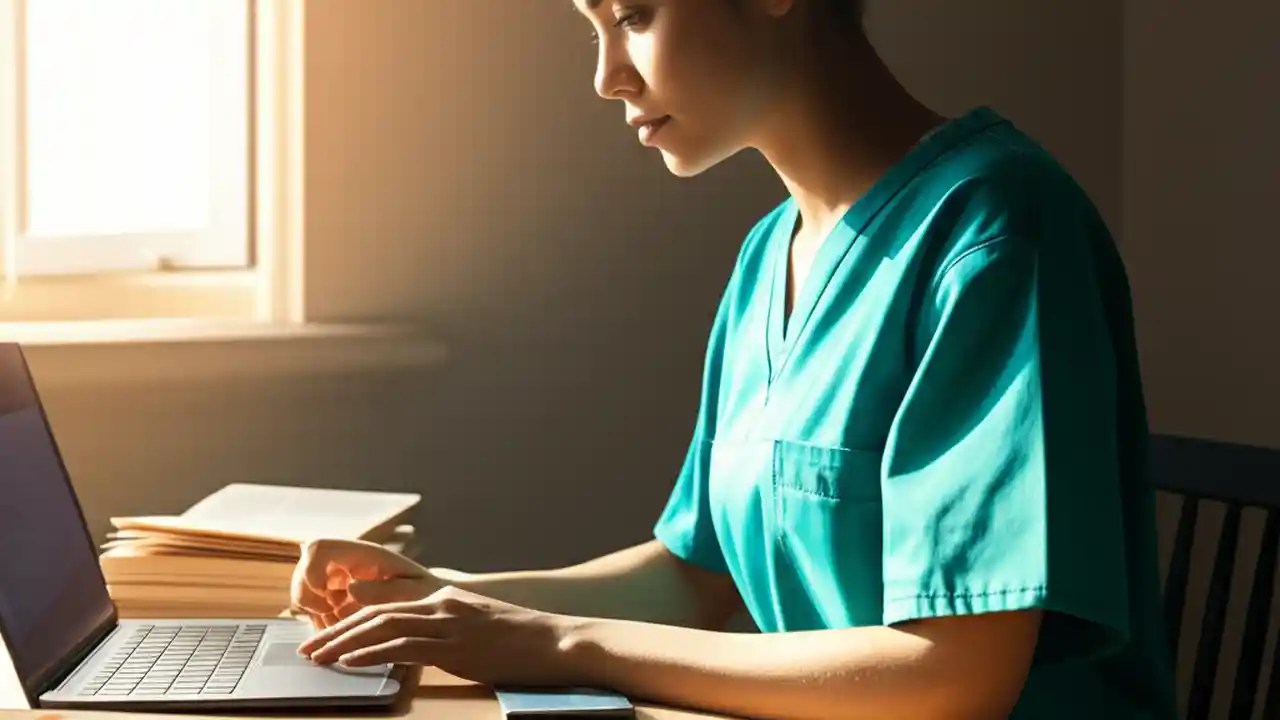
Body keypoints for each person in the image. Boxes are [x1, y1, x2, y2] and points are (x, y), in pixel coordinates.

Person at [291, 1, 1177, 717]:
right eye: (592, 29)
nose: (607, 77)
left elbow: (951, 677)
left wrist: (559, 643)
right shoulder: (769, 254)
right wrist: (439, 598)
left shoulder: (994, 230)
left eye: (633, 16)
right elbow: (694, 578)